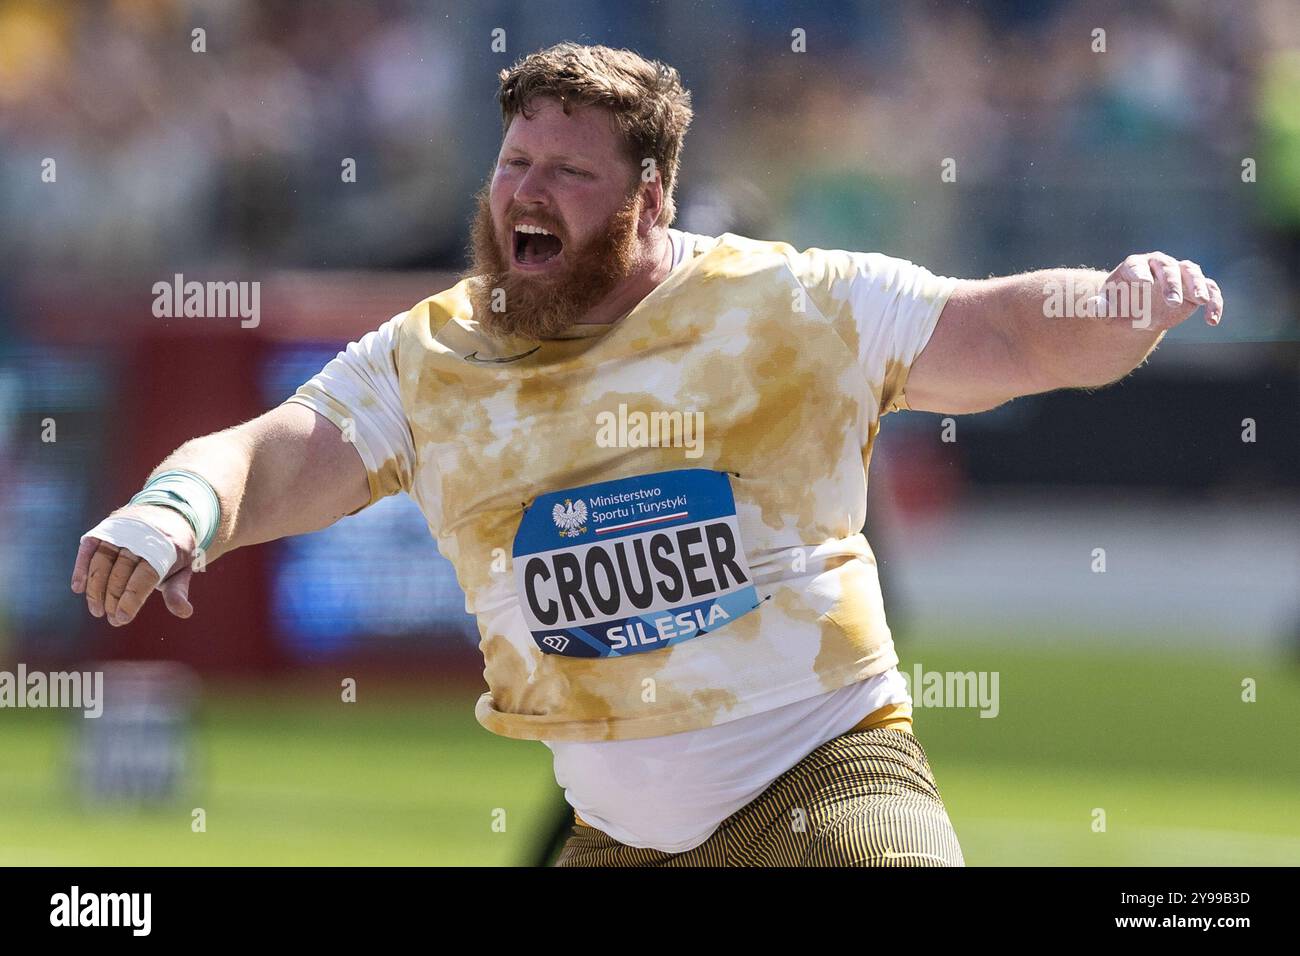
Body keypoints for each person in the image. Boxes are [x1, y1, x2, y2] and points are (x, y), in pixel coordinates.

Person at [71, 42, 1224, 867]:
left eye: (568, 175)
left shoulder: (787, 302)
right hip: (617, 835)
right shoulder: (434, 353)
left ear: (650, 198)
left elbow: (1000, 324)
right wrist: (178, 507)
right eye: (515, 164)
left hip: (822, 786)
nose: (527, 192)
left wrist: (1117, 300)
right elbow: (278, 452)